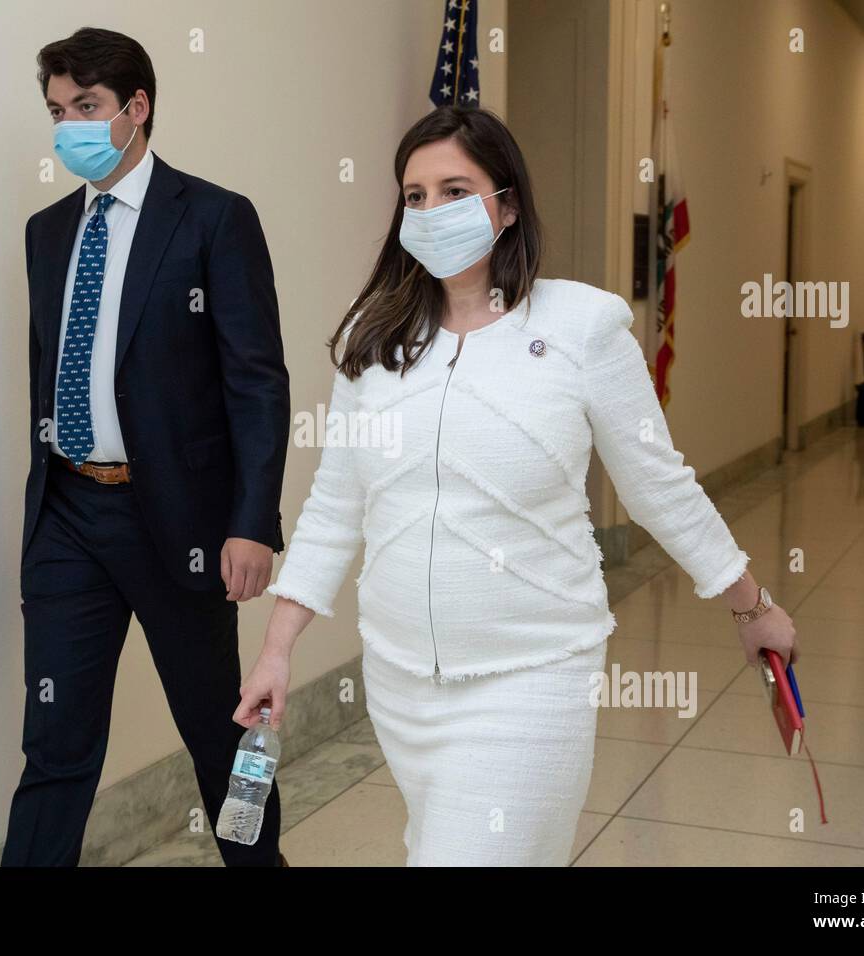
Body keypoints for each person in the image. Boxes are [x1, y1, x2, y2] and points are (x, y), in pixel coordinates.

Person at [234, 105, 798, 866]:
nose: (431, 211)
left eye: (455, 190)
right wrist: (277, 649)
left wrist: (751, 606)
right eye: (415, 195)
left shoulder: (581, 327)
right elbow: (337, 504)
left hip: (530, 678)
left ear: (505, 207)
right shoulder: (377, 337)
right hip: (400, 683)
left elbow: (658, 485)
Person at [4, 27, 290, 866]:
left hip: (180, 521)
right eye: (57, 112)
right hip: (67, 515)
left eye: (86, 108)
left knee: (222, 739)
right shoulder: (46, 231)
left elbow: (256, 381)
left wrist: (252, 519)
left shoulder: (213, 219)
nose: (69, 129)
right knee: (54, 748)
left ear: (137, 109)